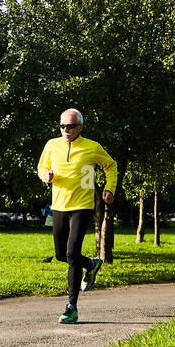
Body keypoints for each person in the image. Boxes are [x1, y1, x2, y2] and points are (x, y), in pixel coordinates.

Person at [36, 108, 118, 324]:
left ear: (80, 127)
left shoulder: (92, 147)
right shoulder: (51, 145)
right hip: (59, 206)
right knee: (61, 254)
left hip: (82, 206)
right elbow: (41, 166)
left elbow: (111, 165)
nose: (66, 130)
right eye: (62, 126)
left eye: (71, 126)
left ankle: (71, 307)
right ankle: (91, 264)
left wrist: (110, 188)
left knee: (72, 253)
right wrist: (45, 175)